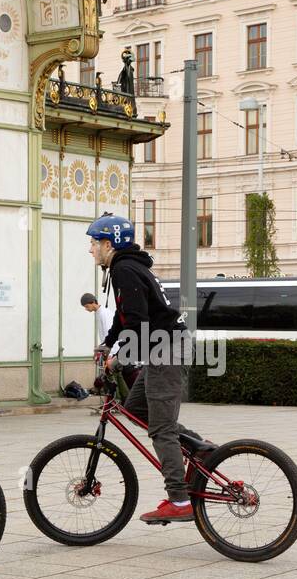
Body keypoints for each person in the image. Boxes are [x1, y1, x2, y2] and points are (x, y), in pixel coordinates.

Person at [86, 215, 215, 524]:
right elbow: (125, 318)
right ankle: (200, 449)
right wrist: (107, 344)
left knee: (161, 429)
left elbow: (139, 324)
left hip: (167, 350)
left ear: (108, 244)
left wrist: (119, 359)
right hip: (164, 348)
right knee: (136, 409)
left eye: (93, 243)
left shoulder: (125, 270)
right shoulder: (128, 268)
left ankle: (180, 500)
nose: (90, 249)